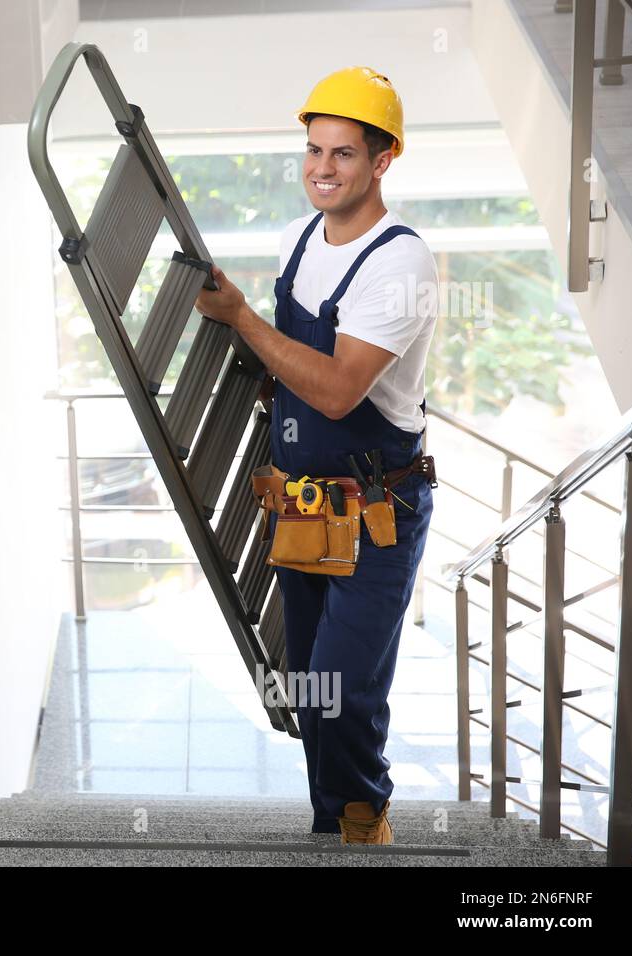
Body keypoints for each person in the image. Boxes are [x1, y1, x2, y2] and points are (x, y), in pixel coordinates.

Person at [194, 66, 439, 844]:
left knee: (346, 689)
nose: (322, 170)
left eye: (342, 155)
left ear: (382, 161)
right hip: (304, 504)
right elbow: (288, 371)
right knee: (312, 688)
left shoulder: (401, 263)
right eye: (313, 151)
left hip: (378, 509)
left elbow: (337, 391)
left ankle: (365, 825)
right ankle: (328, 827)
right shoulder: (296, 240)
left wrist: (239, 318)